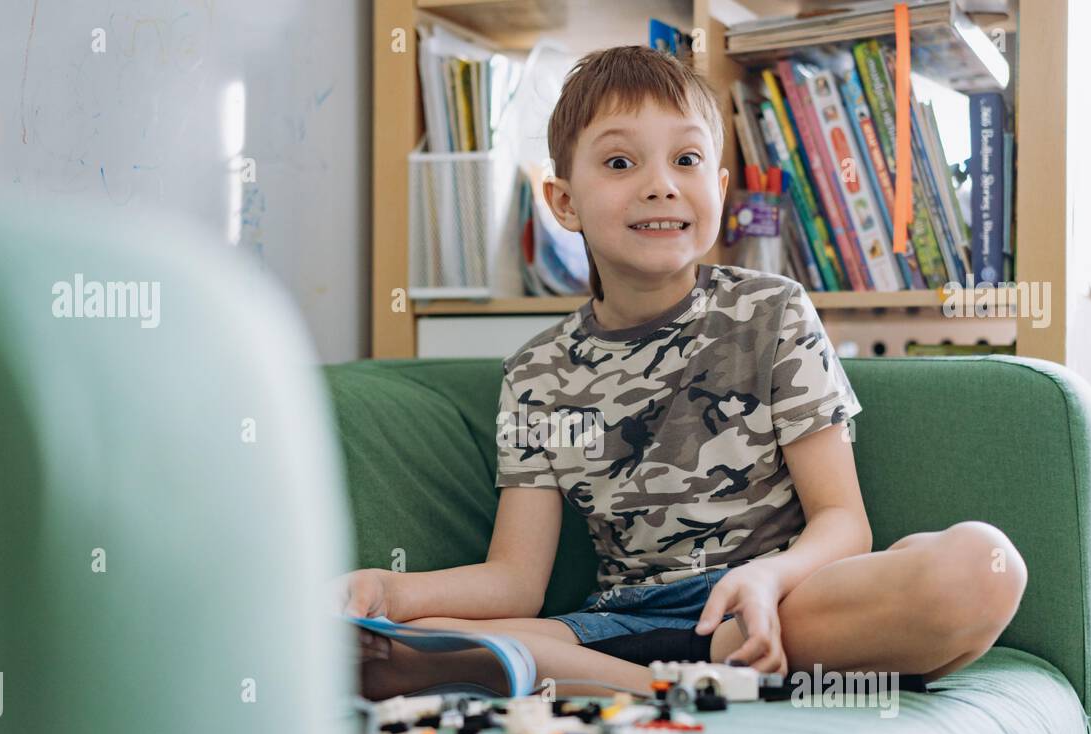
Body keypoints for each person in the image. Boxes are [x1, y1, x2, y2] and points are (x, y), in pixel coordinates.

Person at [341, 46, 1027, 700]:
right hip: (618, 625)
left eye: (688, 159)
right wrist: (392, 592)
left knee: (978, 567)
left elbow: (844, 522)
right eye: (619, 161)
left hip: (768, 607)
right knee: (382, 652)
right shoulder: (535, 375)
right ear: (563, 201)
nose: (661, 184)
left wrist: (766, 579)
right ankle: (671, 686)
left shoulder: (771, 312)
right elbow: (515, 580)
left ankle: (690, 672)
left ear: (719, 188)